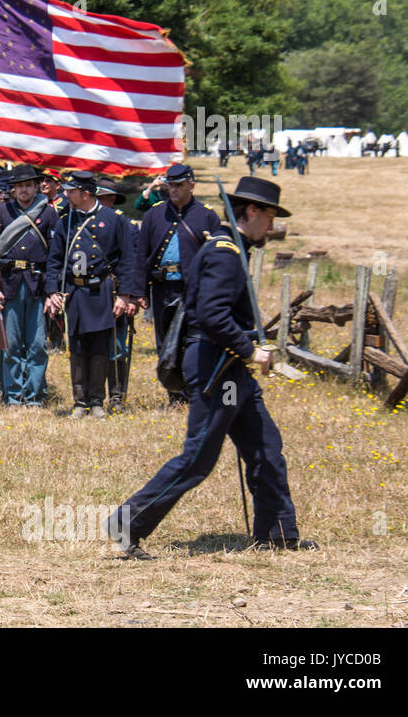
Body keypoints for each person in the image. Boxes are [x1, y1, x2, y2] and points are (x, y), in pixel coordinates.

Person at [107, 176, 316, 559]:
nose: (272, 225)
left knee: (265, 448)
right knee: (198, 459)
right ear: (251, 211)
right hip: (216, 366)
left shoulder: (233, 248)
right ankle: (127, 522)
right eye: (269, 215)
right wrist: (250, 351)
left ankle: (279, 533)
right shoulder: (223, 251)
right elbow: (211, 315)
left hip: (232, 369)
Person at [126, 163, 222, 406]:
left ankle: (194, 392)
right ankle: (175, 395)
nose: (174, 190)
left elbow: (218, 257)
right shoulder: (154, 215)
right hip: (161, 288)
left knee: (193, 341)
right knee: (165, 343)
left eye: (179, 185)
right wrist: (139, 291)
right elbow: (142, 256)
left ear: (191, 185)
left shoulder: (207, 215)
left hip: (194, 290)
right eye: (171, 185)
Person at [43, 172, 137, 418]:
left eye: (71, 191)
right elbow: (54, 260)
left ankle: (96, 401)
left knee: (99, 348)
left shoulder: (114, 220)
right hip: (75, 291)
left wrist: (124, 296)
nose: (66, 195)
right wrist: (52, 291)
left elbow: (127, 260)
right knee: (77, 348)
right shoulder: (65, 221)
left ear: (85, 193)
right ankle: (79, 401)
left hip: (102, 290)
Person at [0, 163, 59, 406]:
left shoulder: (48, 214)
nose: (24, 190)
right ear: (13, 190)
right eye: (19, 186)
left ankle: (34, 395)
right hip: (9, 285)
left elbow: (55, 255)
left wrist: (52, 291)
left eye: (28, 185)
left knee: (37, 345)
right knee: (10, 343)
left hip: (37, 285)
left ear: (37, 186)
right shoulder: (1, 213)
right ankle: (13, 395)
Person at [95, 177, 140, 413]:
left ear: (112, 200)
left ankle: (116, 395)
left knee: (117, 346)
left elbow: (132, 262)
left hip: (117, 293)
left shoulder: (126, 225)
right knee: (95, 345)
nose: (99, 203)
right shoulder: (84, 223)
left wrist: (131, 296)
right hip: (92, 293)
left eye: (102, 199)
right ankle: (94, 396)